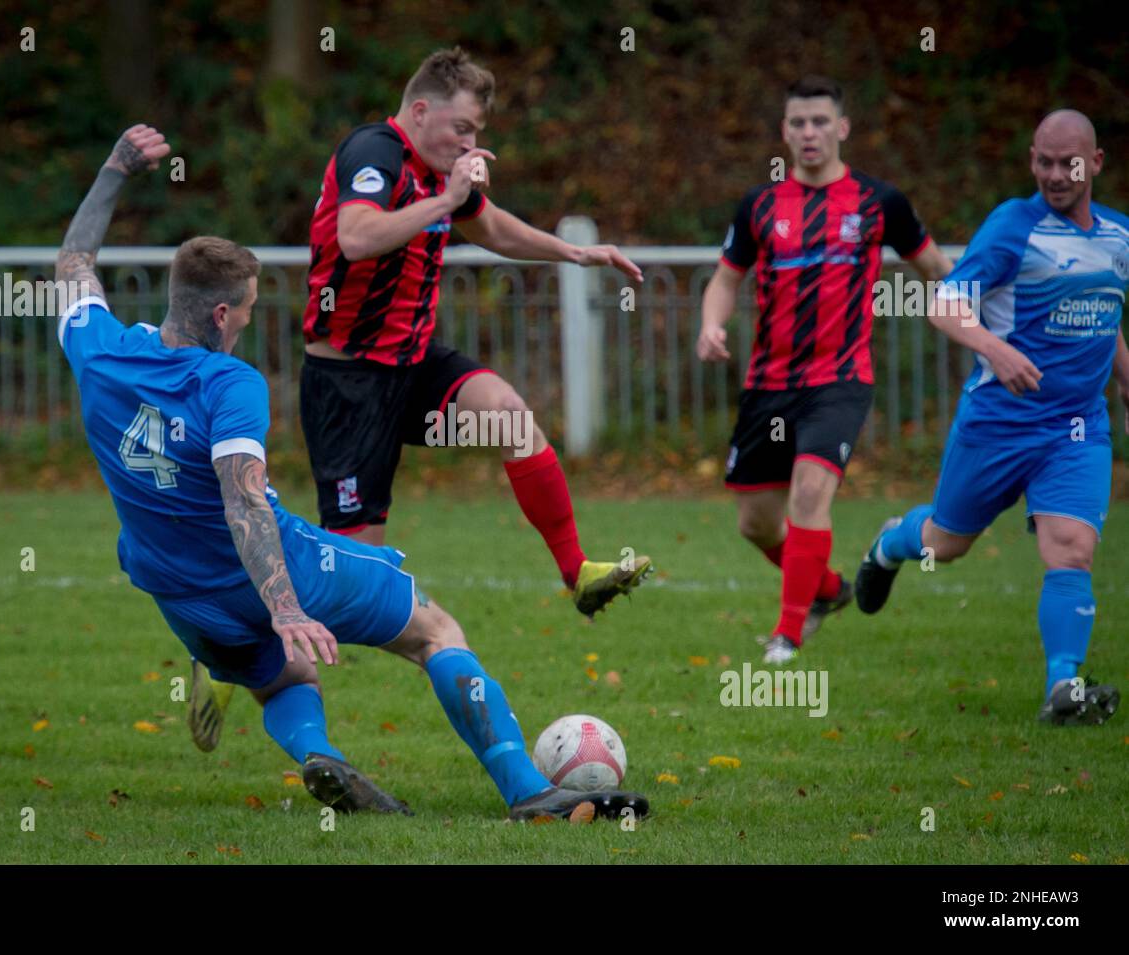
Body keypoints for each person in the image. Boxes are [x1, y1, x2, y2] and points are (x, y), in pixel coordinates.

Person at [55, 123, 650, 820]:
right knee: (435, 631)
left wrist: (115, 168)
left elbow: (73, 260)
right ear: (222, 313)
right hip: (275, 570)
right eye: (245, 311)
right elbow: (244, 503)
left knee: (283, 680)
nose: (246, 324)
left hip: (175, 593)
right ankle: (530, 791)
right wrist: (284, 606)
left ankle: (316, 752)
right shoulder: (228, 384)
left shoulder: (97, 351)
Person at [301, 46, 652, 619]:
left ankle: (577, 573)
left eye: (476, 132)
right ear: (419, 111)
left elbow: (489, 226)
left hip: (412, 367)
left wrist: (575, 253)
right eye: (460, 128)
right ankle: (245, 641)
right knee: (353, 579)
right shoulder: (374, 152)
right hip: (349, 382)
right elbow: (357, 237)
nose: (469, 144)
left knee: (508, 413)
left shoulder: (437, 173)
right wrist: (445, 199)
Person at [855, 109, 1127, 725]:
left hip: (1076, 427)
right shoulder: (1013, 226)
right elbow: (943, 304)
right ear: (1032, 160)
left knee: (1072, 549)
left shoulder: (1119, 236)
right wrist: (996, 348)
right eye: (1044, 162)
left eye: (1070, 163)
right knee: (946, 543)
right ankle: (890, 544)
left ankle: (1064, 689)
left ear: (1096, 162)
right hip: (998, 424)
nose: (1056, 175)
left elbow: (1104, 315)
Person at [697, 75, 954, 665]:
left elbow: (935, 266)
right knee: (756, 523)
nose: (809, 133)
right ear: (784, 133)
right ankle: (830, 589)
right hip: (768, 384)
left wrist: (978, 311)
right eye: (798, 123)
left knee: (810, 494)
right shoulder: (760, 205)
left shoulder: (878, 202)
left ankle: (787, 634)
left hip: (838, 381)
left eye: (820, 121)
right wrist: (710, 325)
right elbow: (725, 279)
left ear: (842, 128)